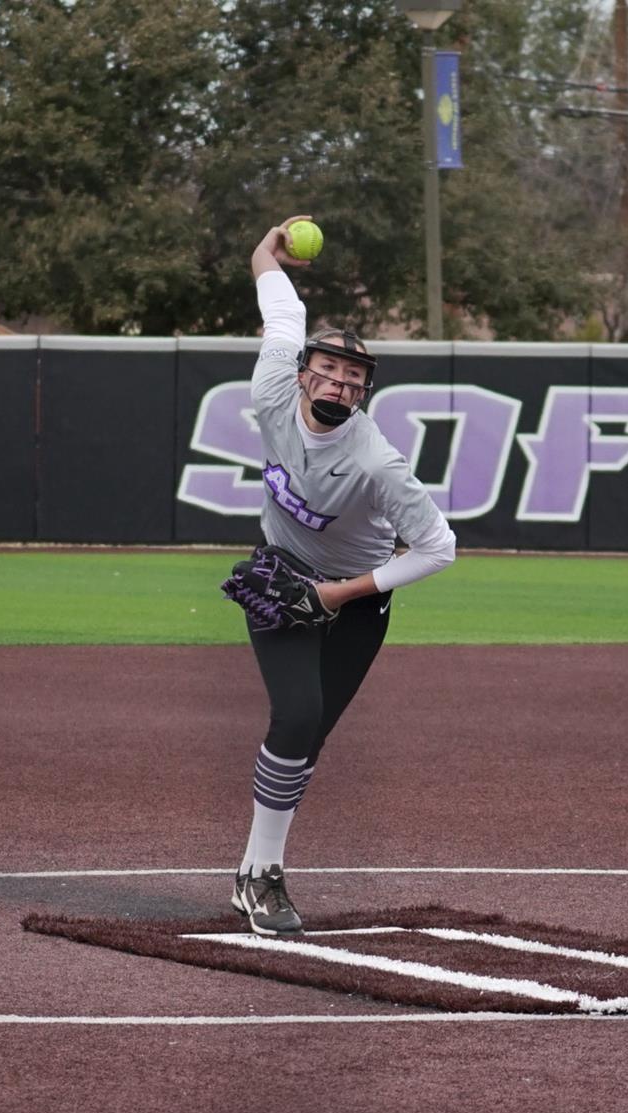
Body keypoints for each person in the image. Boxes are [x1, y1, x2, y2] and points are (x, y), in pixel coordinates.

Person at [228, 215, 457, 936]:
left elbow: (438, 547)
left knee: (309, 735)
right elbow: (283, 307)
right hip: (281, 574)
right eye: (326, 370)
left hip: (355, 598)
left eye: (352, 377)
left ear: (363, 392)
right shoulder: (273, 385)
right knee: (294, 716)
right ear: (303, 374)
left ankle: (248, 870)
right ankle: (263, 879)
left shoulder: (375, 462)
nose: (336, 381)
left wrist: (341, 594)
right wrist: (267, 249)